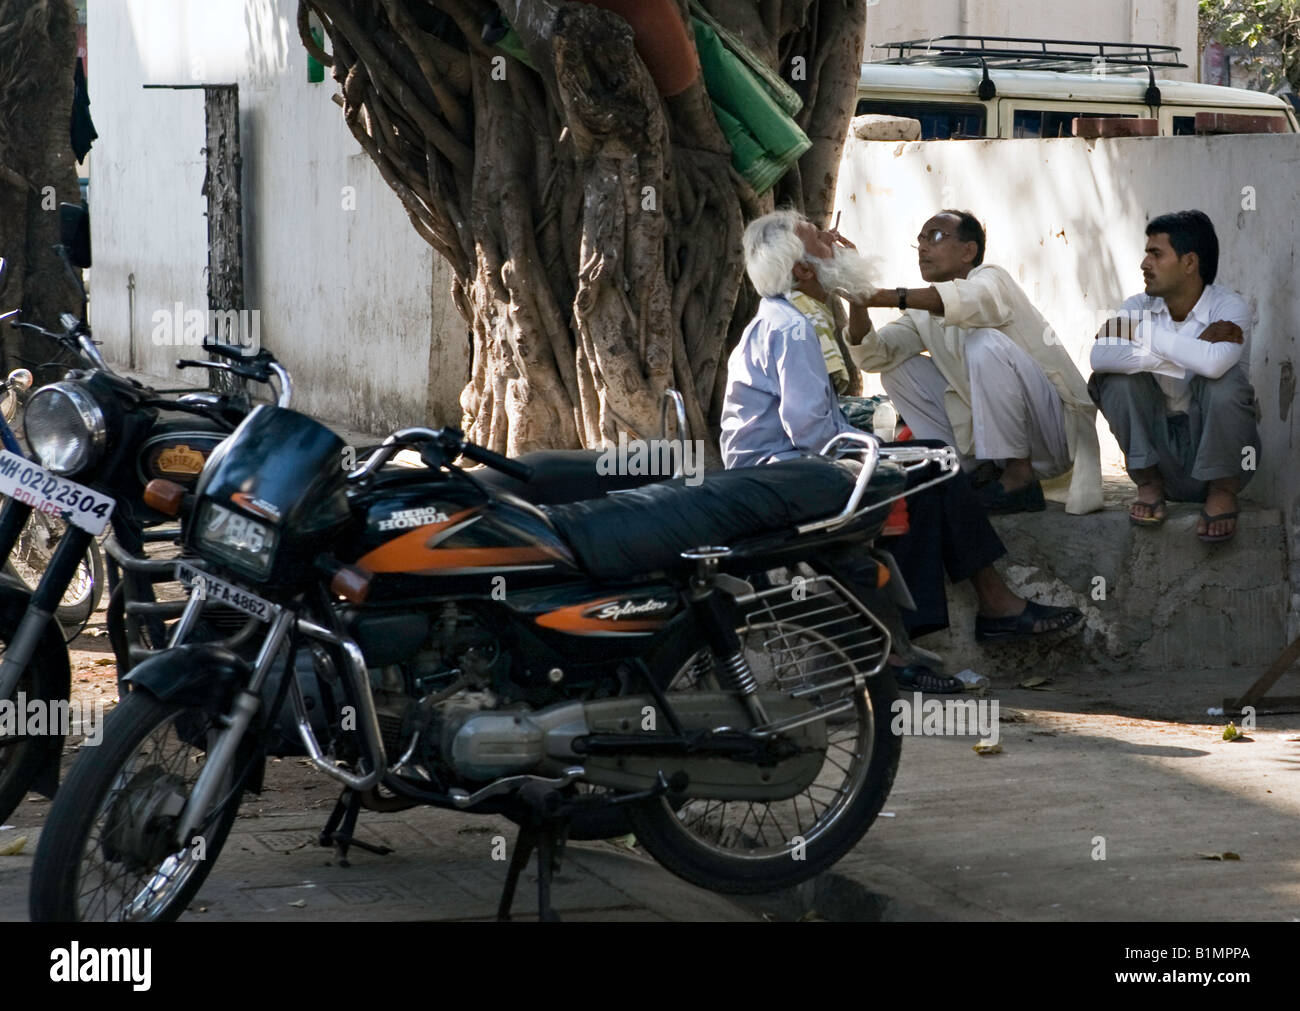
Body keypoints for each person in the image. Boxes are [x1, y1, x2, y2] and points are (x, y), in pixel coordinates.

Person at [720, 209, 1082, 693]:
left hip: (785, 470)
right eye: (820, 240)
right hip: (782, 475)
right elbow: (815, 430)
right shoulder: (793, 327)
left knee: (930, 464)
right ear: (803, 271)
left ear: (969, 248)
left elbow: (816, 427)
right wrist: (879, 452)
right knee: (928, 469)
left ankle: (937, 630)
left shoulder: (986, 281)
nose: (834, 241)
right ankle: (958, 624)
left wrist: (882, 451)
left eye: (937, 236)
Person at [847, 210, 1103, 515]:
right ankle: (960, 471)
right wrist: (857, 296)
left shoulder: (992, 278)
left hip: (1053, 436)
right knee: (897, 369)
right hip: (987, 449)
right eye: (920, 239)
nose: (924, 247)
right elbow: (874, 354)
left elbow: (968, 299)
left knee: (984, 343)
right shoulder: (920, 313)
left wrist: (885, 296)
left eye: (936, 236)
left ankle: (1018, 475)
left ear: (969, 251)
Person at [1088, 210, 1258, 543]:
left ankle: (1223, 491)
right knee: (1115, 379)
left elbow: (1213, 367)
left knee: (1225, 383)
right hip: (1159, 454)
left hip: (1218, 453)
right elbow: (1100, 356)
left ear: (1189, 262)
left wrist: (1141, 334)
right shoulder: (1136, 306)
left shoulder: (1229, 308)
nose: (1144, 264)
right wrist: (1186, 351)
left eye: (1156, 253)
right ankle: (1148, 483)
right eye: (1146, 252)